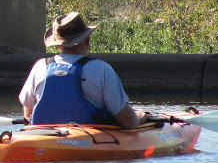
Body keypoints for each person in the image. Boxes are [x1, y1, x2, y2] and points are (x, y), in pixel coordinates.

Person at [19, 12, 149, 129]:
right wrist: (139, 119)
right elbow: (126, 121)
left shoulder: (40, 66)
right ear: (87, 39)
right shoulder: (101, 69)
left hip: (42, 138)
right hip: (89, 140)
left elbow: (28, 115)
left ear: (58, 45)